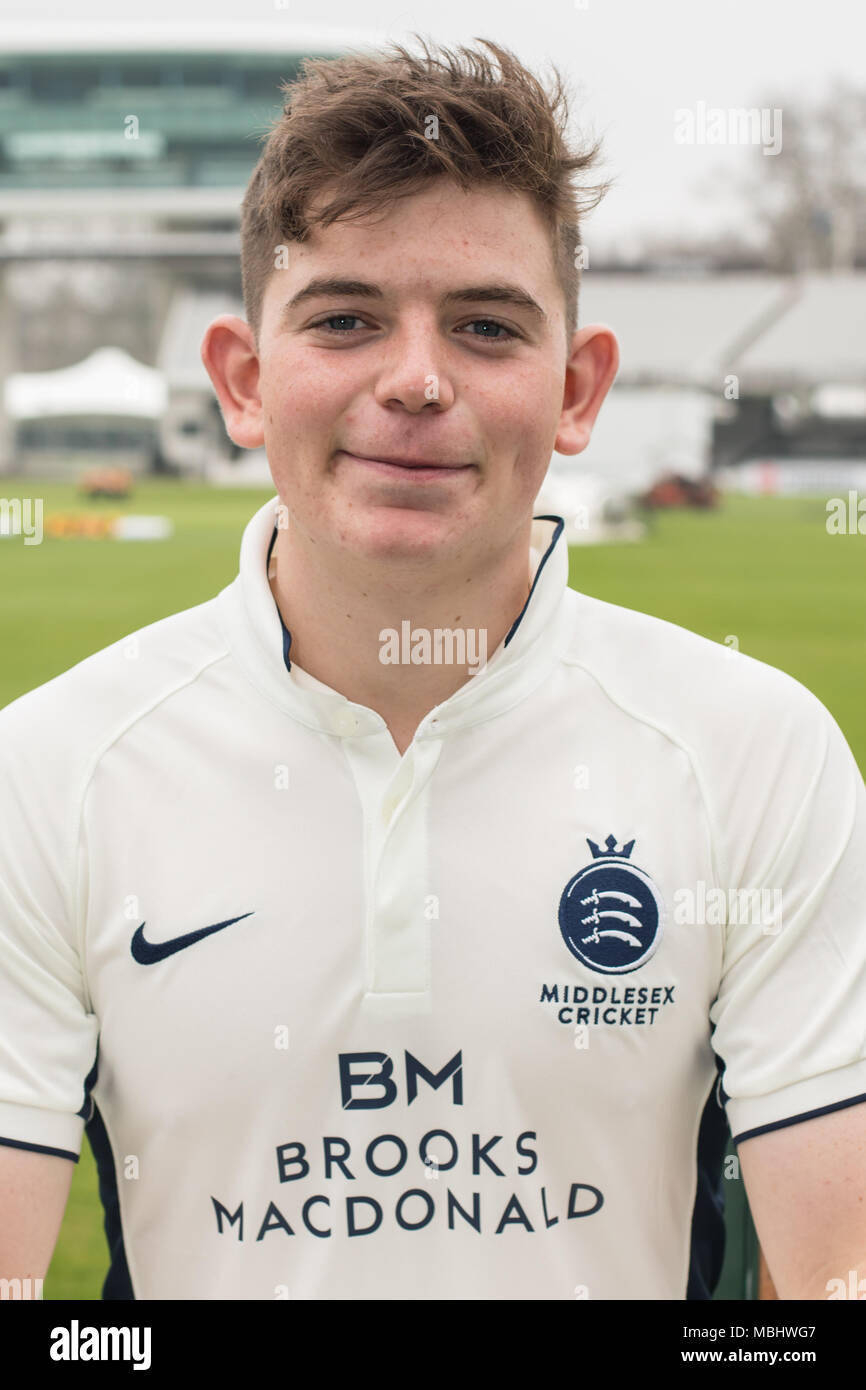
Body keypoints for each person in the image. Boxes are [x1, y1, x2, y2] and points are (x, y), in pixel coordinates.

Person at [1, 37, 864, 1302]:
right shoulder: (47, 770)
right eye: (344, 319)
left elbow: (830, 1281)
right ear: (245, 383)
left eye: (483, 326)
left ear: (575, 392)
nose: (414, 380)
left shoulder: (753, 748)